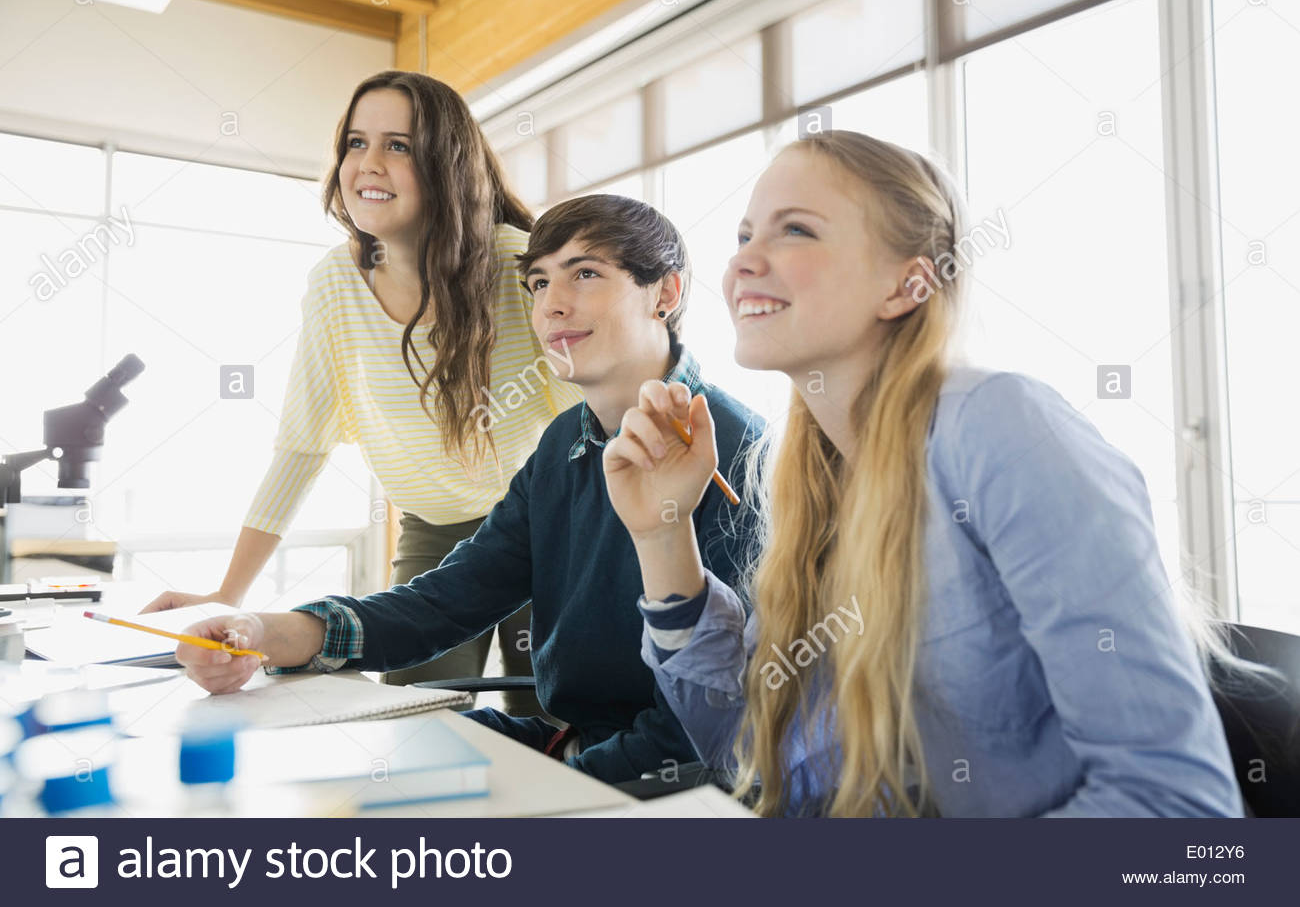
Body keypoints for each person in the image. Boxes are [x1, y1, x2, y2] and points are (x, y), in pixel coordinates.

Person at [601, 131, 1245, 816]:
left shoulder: (1001, 427)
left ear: (907, 284)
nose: (740, 264)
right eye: (743, 234)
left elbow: (1178, 804)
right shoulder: (818, 473)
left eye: (795, 231)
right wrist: (662, 534)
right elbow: (747, 749)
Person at [175, 195, 765, 784]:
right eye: (538, 283)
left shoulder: (736, 453)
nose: (553, 305)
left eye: (586, 274)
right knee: (358, 765)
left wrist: (557, 780)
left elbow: (705, 734)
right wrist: (264, 634)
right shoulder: (564, 443)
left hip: (678, 777)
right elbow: (444, 602)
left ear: (665, 294)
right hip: (573, 743)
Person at [141, 72, 583, 713]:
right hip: (434, 532)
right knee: (417, 717)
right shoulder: (334, 286)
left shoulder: (521, 268)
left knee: (557, 721)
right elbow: (301, 447)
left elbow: (591, 423)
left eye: (399, 146)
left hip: (547, 521)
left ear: (446, 163)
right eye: (355, 142)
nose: (368, 165)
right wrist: (227, 596)